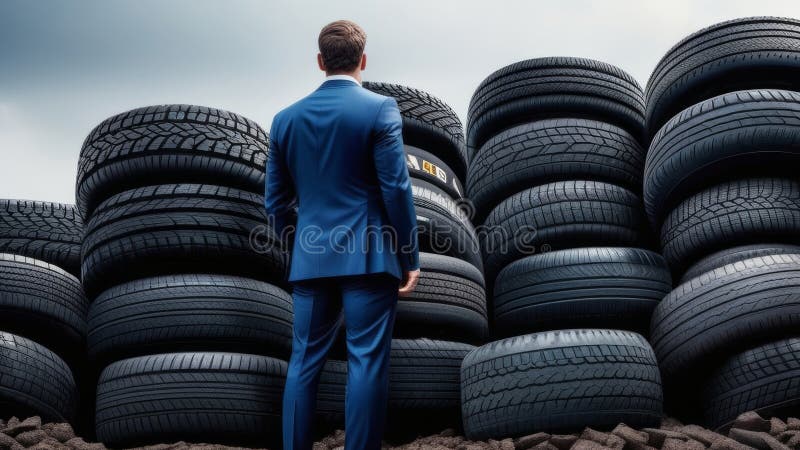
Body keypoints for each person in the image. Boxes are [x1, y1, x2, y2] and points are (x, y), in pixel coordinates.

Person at [265, 19, 421, 450]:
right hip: (370, 257)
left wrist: (300, 244)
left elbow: (276, 203)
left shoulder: (284, 121)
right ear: (363, 60)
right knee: (366, 362)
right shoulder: (380, 108)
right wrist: (409, 255)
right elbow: (395, 187)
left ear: (320, 61)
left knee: (303, 362)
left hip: (311, 259)